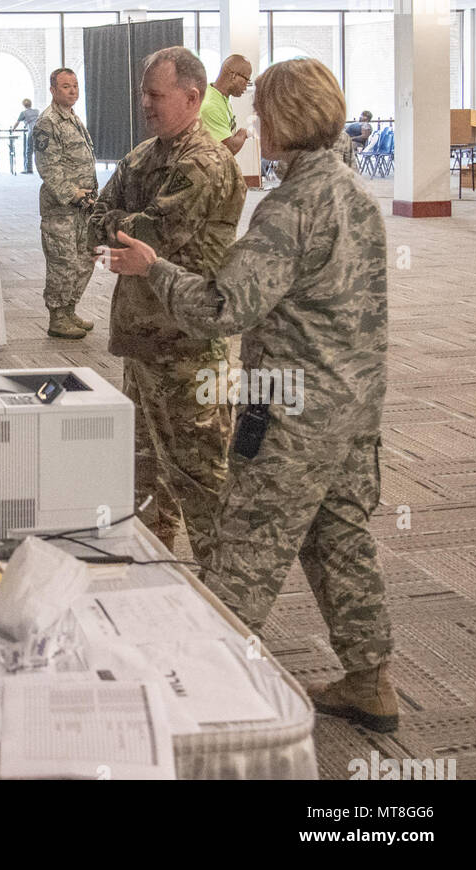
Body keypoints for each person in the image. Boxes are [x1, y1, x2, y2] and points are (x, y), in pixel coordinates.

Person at [101, 58, 396, 732]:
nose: (257, 122)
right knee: (338, 540)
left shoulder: (291, 209)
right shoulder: (355, 193)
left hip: (291, 407)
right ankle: (371, 676)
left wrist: (155, 268)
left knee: (243, 555)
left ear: (287, 118)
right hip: (355, 407)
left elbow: (222, 307)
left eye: (264, 110)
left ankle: (200, 696)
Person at [88, 48, 246, 563]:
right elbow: (94, 219)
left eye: (156, 95)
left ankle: (227, 603)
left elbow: (153, 235)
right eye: (144, 94)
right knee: (143, 476)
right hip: (142, 340)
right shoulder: (144, 156)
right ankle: (155, 578)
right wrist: (119, 225)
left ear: (192, 97)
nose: (145, 105)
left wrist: (121, 224)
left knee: (200, 482)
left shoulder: (203, 162)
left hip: (190, 350)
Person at [33, 68, 97, 339]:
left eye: (75, 86)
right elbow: (48, 168)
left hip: (83, 207)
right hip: (62, 209)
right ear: (53, 90)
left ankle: (70, 310)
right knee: (63, 262)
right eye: (65, 86)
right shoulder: (47, 122)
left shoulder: (72, 118)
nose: (72, 91)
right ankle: (57, 317)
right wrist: (73, 194)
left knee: (85, 259)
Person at [200, 54, 253, 154]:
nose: (246, 87)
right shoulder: (211, 106)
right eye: (246, 81)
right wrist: (244, 133)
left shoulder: (221, 96)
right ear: (234, 76)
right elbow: (229, 150)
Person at [13, 97, 40, 174]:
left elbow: (17, 123)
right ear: (31, 104)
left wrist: (13, 129)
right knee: (38, 151)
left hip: (31, 132)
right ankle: (41, 169)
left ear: (24, 105)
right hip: (39, 132)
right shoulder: (37, 111)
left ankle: (29, 169)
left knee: (29, 151)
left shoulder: (23, 113)